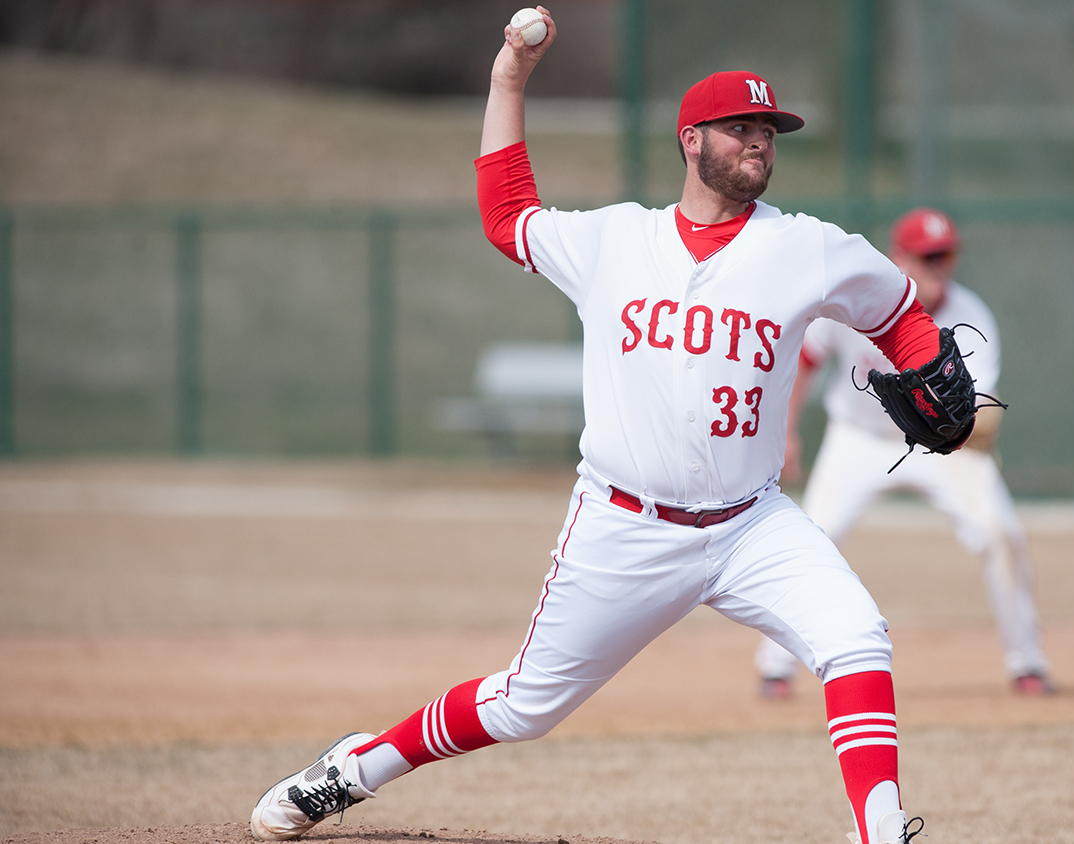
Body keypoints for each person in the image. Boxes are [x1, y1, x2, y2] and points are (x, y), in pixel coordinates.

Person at [250, 9, 966, 844]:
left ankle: (880, 831)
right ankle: (353, 768)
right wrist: (508, 79)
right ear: (691, 140)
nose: (759, 143)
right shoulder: (616, 239)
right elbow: (505, 212)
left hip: (752, 523)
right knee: (522, 706)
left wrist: (930, 369)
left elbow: (900, 314)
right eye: (739, 128)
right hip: (625, 526)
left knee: (856, 637)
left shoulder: (809, 249)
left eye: (768, 130)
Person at [754, 208, 1052, 700]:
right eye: (928, 256)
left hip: (943, 448)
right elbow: (805, 361)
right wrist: (785, 434)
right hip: (858, 439)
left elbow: (980, 410)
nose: (941, 265)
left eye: (947, 255)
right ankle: (774, 667)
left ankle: (1028, 662)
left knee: (1000, 532)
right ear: (899, 258)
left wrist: (965, 428)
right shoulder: (860, 299)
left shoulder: (970, 316)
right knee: (809, 539)